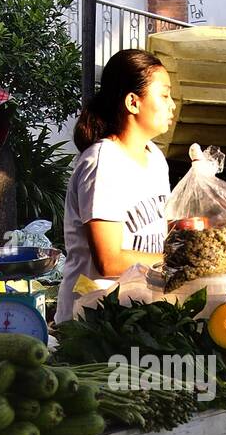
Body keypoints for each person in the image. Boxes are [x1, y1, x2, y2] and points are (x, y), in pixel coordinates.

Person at [55, 49, 174, 325]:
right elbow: (108, 260)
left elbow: (157, 227)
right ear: (133, 102)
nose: (172, 105)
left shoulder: (155, 157)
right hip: (92, 320)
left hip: (135, 312)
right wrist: (175, 261)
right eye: (164, 95)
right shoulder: (102, 163)